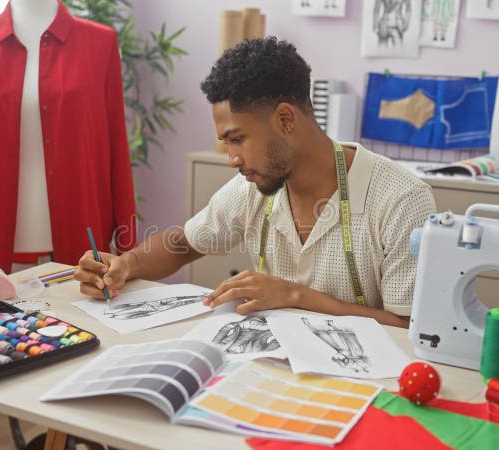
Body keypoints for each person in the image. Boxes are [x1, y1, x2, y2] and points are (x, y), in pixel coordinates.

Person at [75, 37, 435, 327]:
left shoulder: (399, 198)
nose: (232, 159)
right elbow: (183, 244)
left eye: (237, 139)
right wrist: (128, 264)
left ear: (284, 119)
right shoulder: (253, 188)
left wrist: (294, 296)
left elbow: (408, 327)